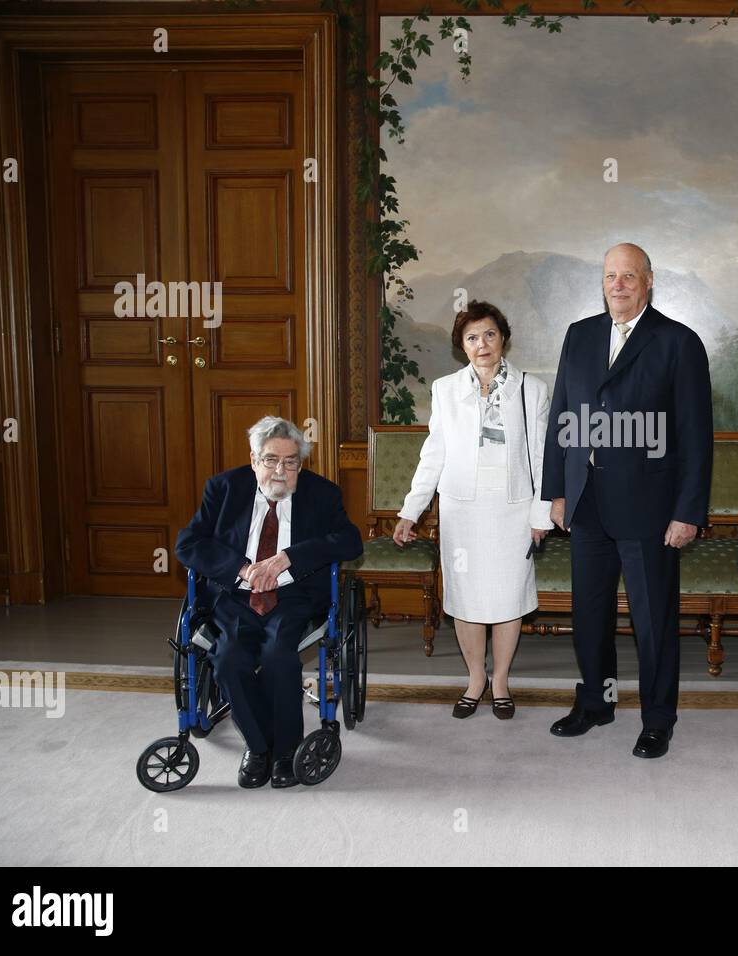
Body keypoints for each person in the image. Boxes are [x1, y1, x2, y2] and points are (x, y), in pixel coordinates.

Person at [541, 242, 713, 758]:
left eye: (629, 277)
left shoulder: (678, 342)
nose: (618, 285)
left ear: (649, 280)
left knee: (652, 621)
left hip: (651, 507)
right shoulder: (580, 334)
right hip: (587, 500)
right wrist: (556, 490)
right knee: (588, 612)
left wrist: (688, 511)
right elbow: (561, 416)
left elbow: (696, 435)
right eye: (610, 276)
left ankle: (658, 718)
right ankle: (595, 701)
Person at [174, 416, 363, 789]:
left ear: (301, 464)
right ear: (253, 459)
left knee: (279, 655)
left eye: (291, 461)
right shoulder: (224, 488)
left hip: (294, 596)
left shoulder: (321, 494)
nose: (280, 470)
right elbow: (188, 544)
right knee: (228, 658)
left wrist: (287, 558)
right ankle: (259, 749)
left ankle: (285, 751)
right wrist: (242, 569)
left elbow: (350, 540)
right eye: (271, 460)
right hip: (236, 596)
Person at [393, 300, 552, 719]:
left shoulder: (531, 389)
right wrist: (411, 510)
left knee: (507, 598)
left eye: (489, 334)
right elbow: (434, 454)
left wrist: (540, 516)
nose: (482, 344)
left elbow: (540, 457)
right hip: (463, 510)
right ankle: (474, 679)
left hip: (512, 511)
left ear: (503, 338)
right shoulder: (445, 390)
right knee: (466, 599)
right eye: (471, 337)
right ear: (461, 346)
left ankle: (500, 680)